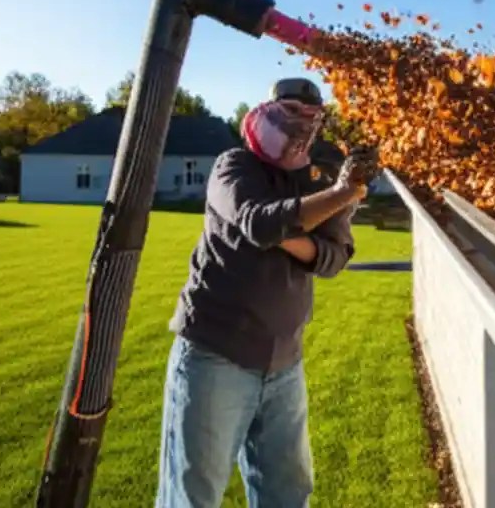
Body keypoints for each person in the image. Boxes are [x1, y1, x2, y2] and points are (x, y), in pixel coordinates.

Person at [156, 77, 378, 508]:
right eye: (292, 112)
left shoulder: (318, 182)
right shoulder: (233, 167)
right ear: (268, 112)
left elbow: (336, 257)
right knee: (193, 496)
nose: (301, 125)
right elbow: (258, 222)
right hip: (215, 356)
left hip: (284, 364)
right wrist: (336, 198)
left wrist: (297, 227)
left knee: (287, 493)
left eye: (312, 117)